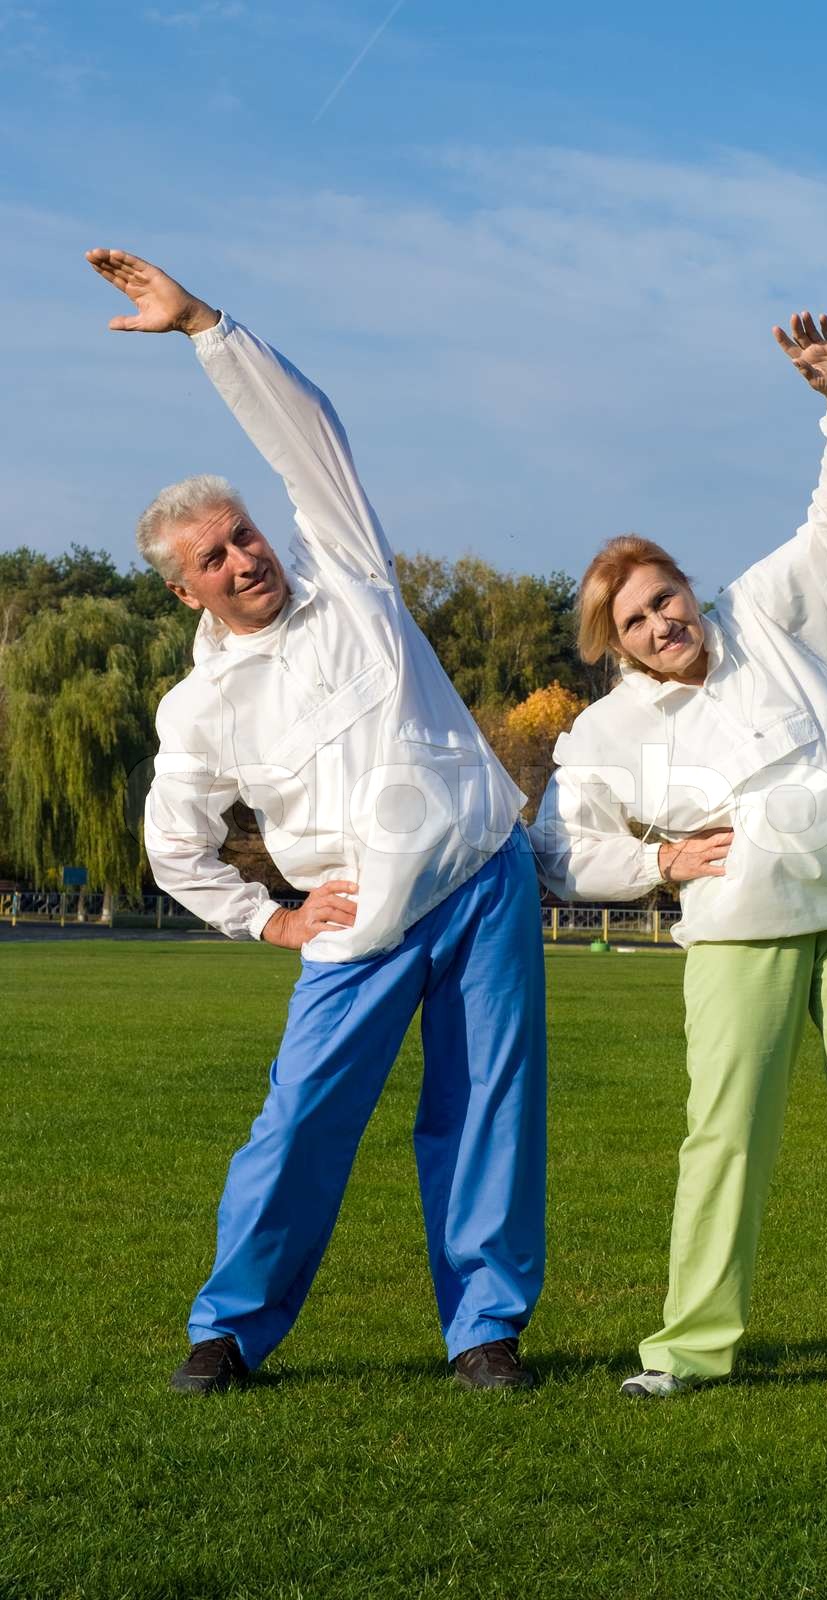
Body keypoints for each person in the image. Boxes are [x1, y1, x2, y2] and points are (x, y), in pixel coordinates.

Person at [86, 248, 546, 1394]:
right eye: (213, 557)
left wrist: (204, 328)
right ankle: (230, 1328)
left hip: (484, 877)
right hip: (354, 923)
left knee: (486, 1111)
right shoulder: (198, 707)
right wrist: (270, 921)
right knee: (298, 1127)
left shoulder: (351, 577)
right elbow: (173, 846)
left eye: (242, 535)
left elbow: (310, 434)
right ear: (183, 589)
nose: (244, 558)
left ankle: (483, 1331)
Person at [532, 311, 827, 1405]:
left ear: (689, 587)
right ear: (615, 646)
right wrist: (661, 866)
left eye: (665, 596)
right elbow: (562, 849)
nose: (663, 623)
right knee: (723, 1139)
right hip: (735, 929)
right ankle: (689, 1345)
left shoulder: (769, 613)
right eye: (635, 621)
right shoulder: (605, 732)